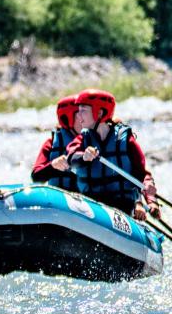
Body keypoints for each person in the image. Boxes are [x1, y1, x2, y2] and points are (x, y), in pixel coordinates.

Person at [34, 89, 157, 218]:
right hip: (92, 206)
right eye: (77, 112)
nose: (79, 116)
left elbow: (142, 175)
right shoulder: (83, 138)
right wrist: (83, 156)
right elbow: (71, 155)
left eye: (83, 111)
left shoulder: (125, 140)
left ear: (99, 113)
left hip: (122, 207)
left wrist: (150, 201)